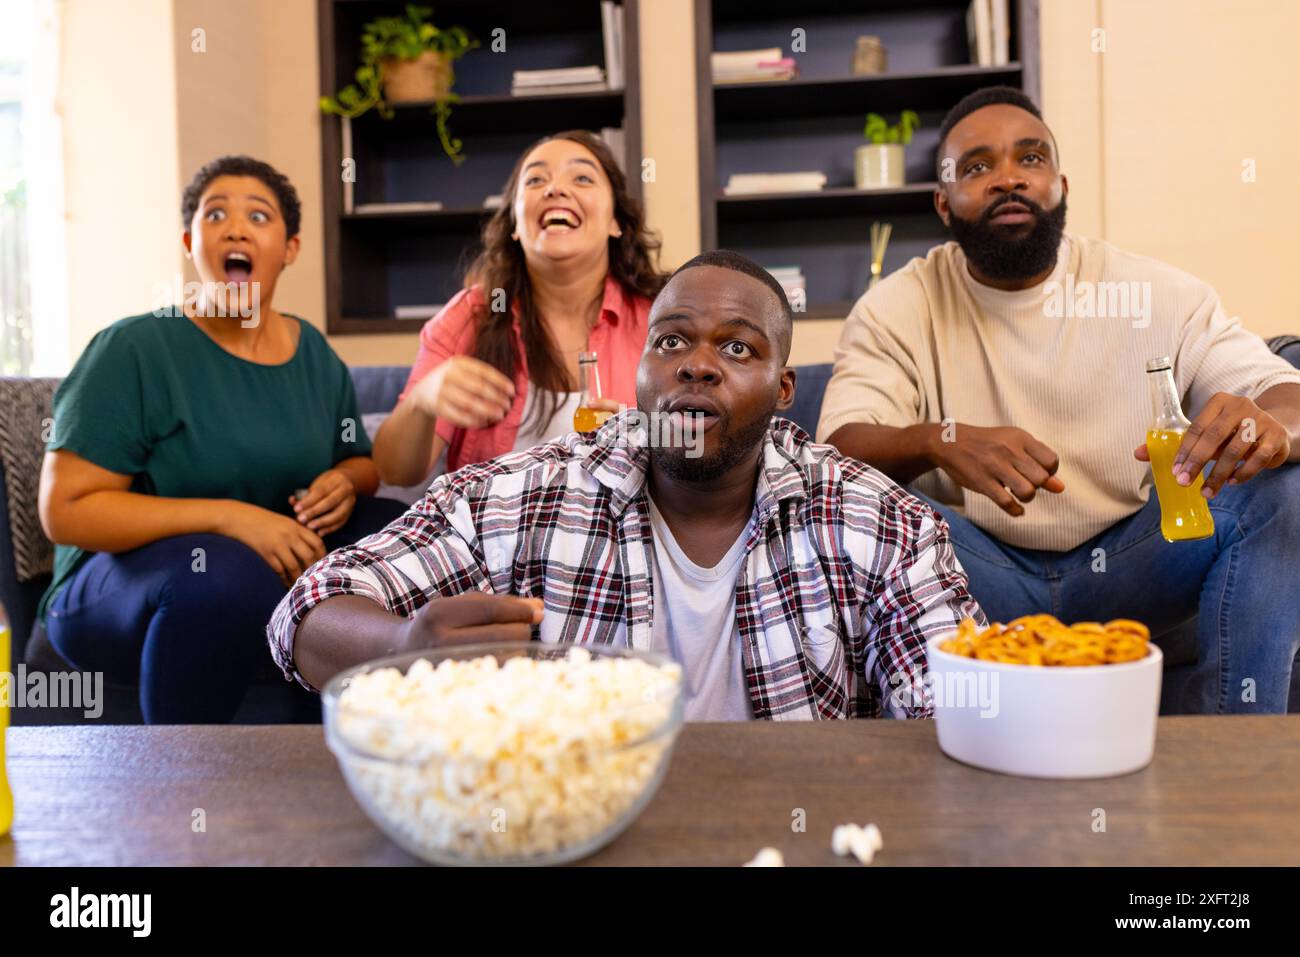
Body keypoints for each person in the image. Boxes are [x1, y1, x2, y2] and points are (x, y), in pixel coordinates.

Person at [268, 251, 982, 719]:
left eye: (737, 347)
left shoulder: (876, 517)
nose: (697, 365)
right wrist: (401, 648)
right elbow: (304, 610)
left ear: (785, 388)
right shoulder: (526, 496)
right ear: (637, 371)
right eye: (670, 341)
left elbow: (957, 701)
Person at [818, 86, 1300, 714]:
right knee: (850, 506)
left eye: (1031, 158)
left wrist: (1271, 427)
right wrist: (943, 439)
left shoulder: (1154, 292)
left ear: (1061, 185)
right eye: (977, 167)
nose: (1007, 179)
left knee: (1283, 489)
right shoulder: (895, 307)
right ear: (943, 203)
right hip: (970, 574)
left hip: (1138, 562)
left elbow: (1282, 393)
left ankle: (1239, 754)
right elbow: (837, 454)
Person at [37, 155, 406, 723]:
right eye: (216, 215)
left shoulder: (314, 354)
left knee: (387, 527)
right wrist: (230, 518)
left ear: (291, 248)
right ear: (191, 242)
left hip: (268, 565)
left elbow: (358, 458)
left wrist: (343, 480)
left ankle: (341, 754)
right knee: (223, 573)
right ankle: (186, 784)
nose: (236, 228)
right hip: (118, 587)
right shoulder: (133, 350)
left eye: (259, 216)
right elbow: (67, 511)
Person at [372, 130, 667, 484]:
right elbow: (394, 472)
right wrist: (422, 400)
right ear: (514, 224)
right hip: (491, 538)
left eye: (582, 178)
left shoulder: (663, 317)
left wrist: (645, 436)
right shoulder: (471, 315)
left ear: (615, 222)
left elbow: (706, 444)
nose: (555, 189)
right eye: (536, 179)